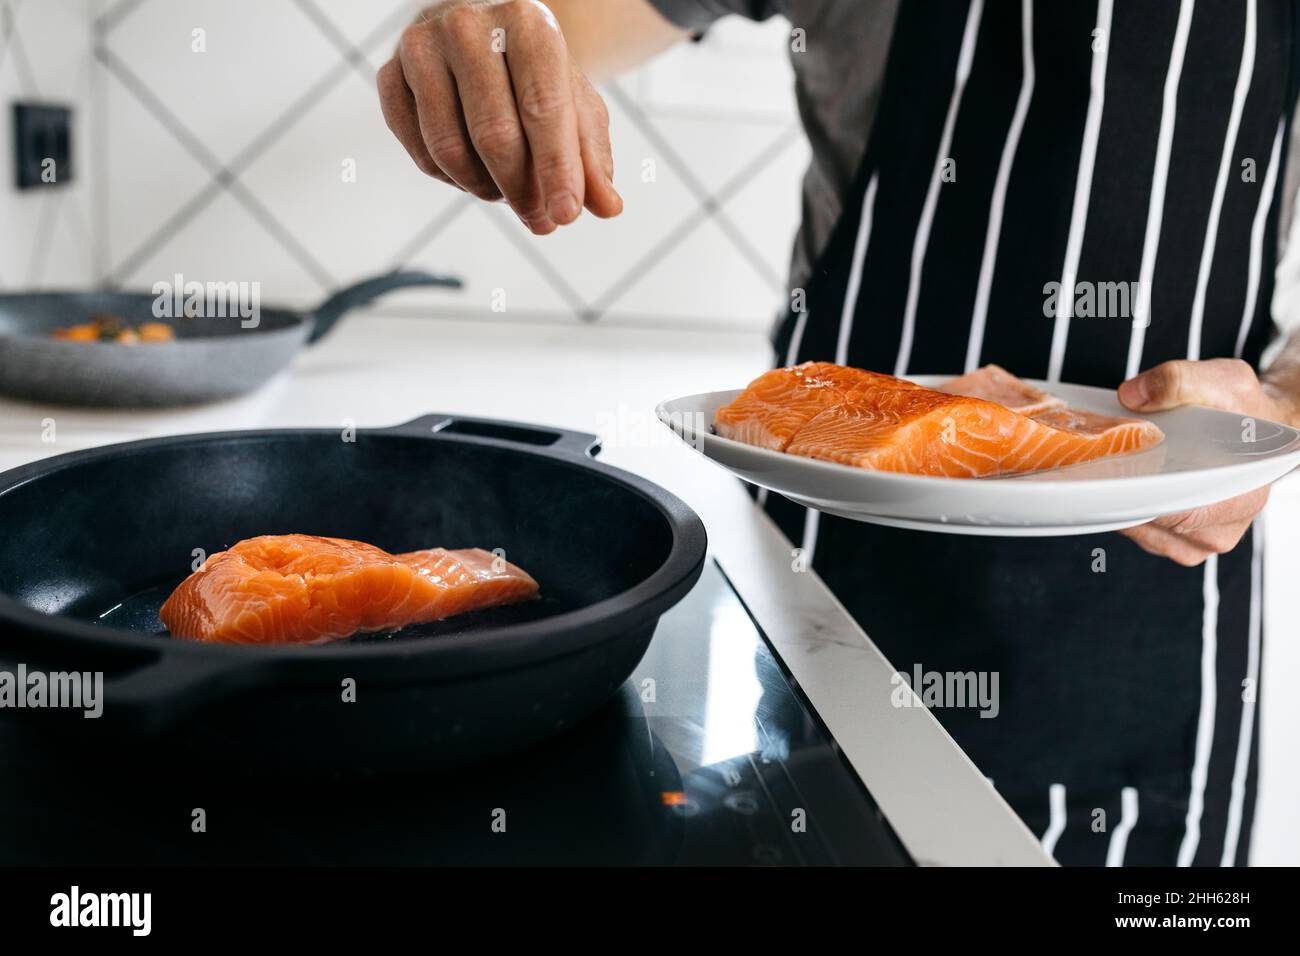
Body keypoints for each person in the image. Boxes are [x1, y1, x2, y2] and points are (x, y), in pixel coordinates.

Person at [378, 0, 1300, 865]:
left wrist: (1280, 413)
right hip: (812, 576)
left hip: (1155, 612)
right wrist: (493, 40)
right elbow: (555, 24)